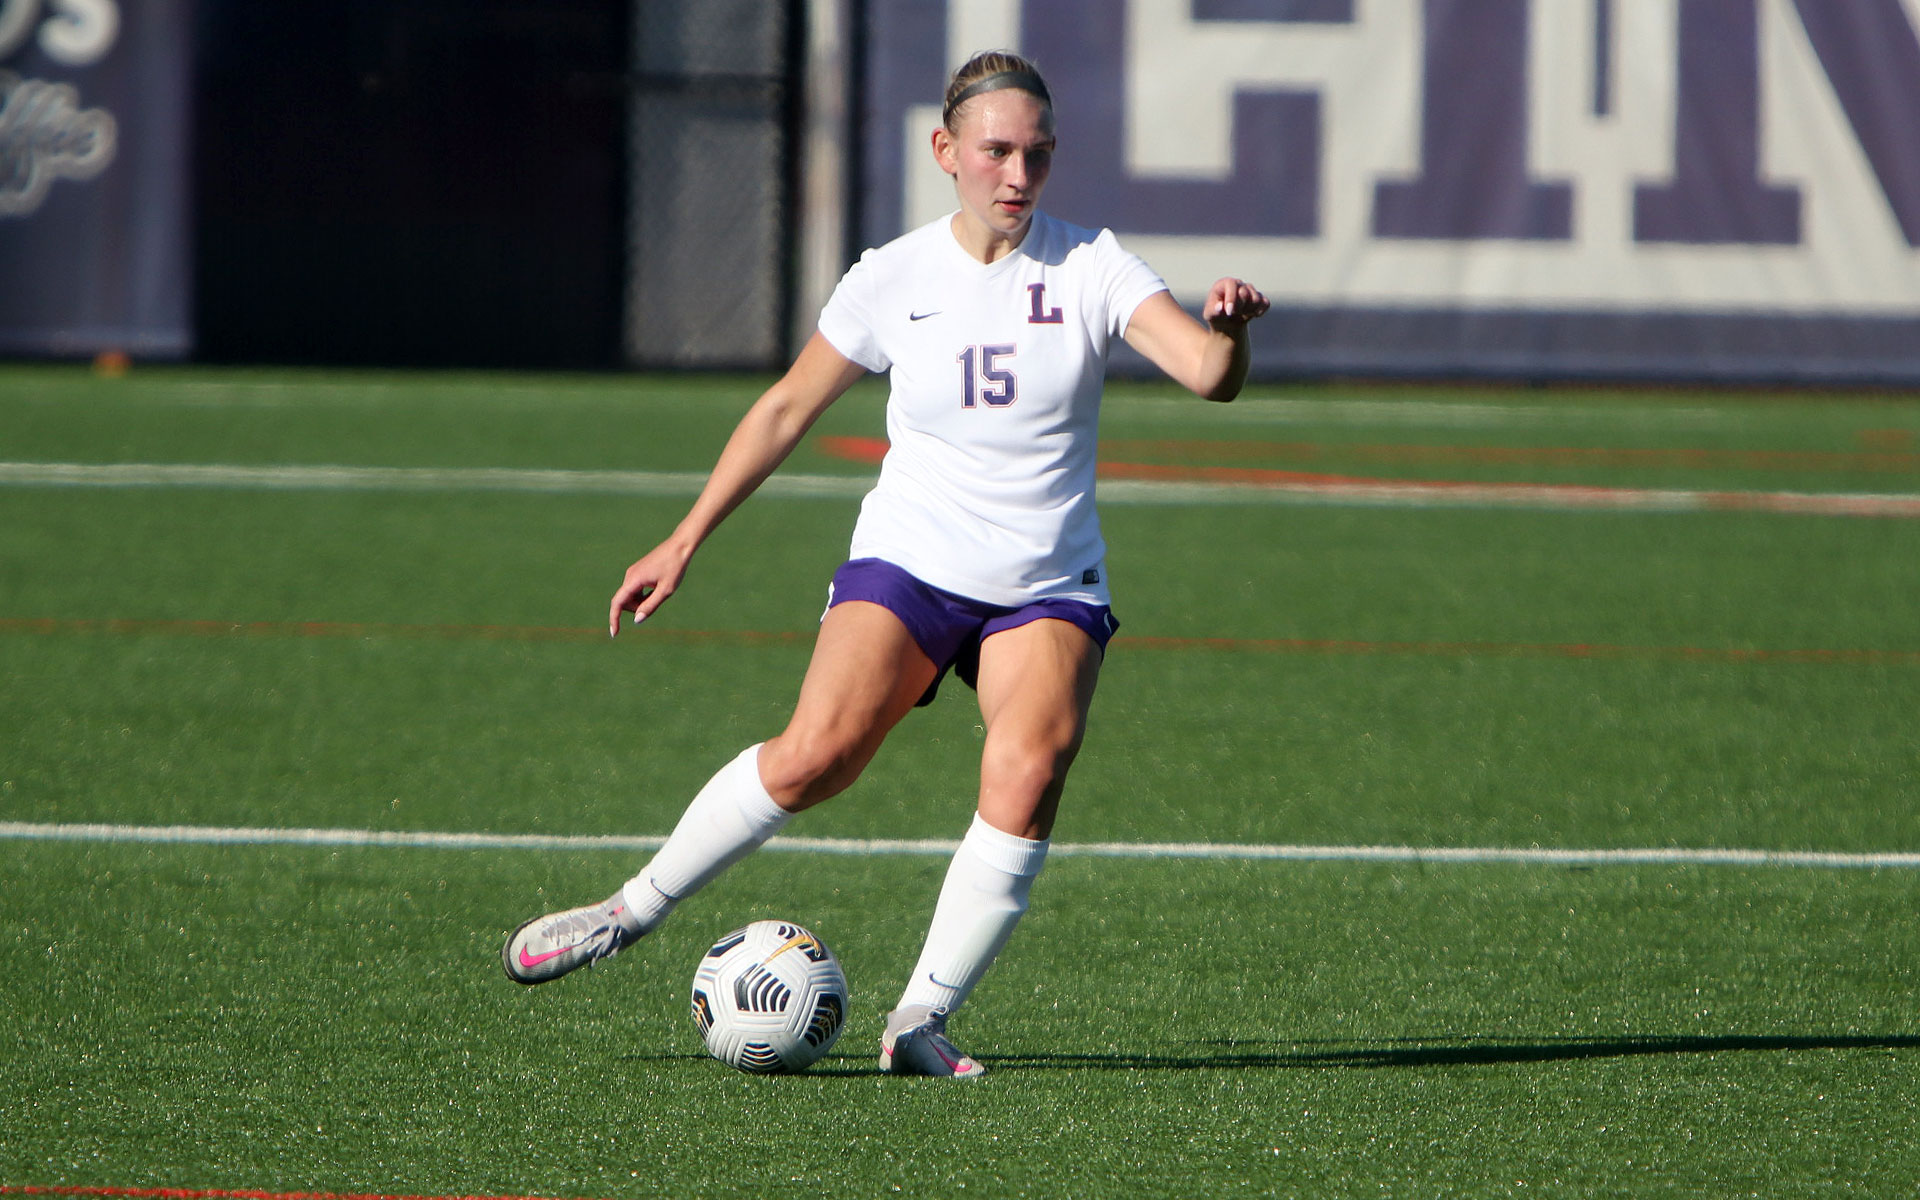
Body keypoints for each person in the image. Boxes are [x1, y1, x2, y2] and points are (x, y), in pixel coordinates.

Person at [502, 50, 1270, 1078]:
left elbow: (1208, 373)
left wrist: (1229, 332)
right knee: (816, 757)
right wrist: (684, 538)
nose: (1018, 175)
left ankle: (919, 1019)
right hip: (911, 558)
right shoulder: (892, 274)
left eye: (1038, 154)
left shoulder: (1092, 265)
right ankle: (629, 911)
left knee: (1030, 765)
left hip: (1045, 582)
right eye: (996, 151)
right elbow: (786, 407)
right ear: (945, 150)